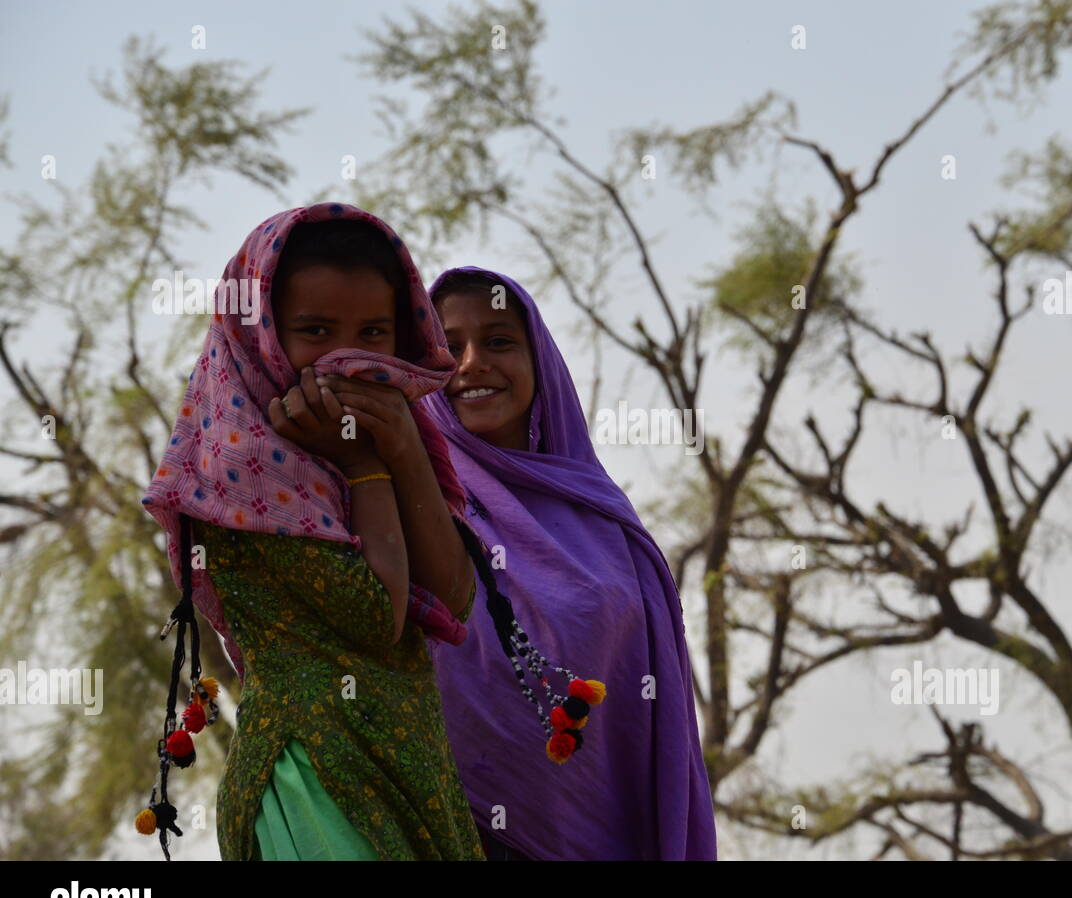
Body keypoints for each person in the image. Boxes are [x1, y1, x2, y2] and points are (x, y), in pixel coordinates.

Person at [138, 203, 485, 861]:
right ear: (260, 331)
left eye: (373, 332)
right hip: (316, 782)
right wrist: (363, 466)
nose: (347, 357)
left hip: (397, 772)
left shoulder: (393, 435)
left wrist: (401, 448)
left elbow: (453, 594)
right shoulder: (243, 459)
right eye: (316, 330)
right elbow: (377, 612)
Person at [422, 266, 718, 860]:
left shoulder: (606, 522)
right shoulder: (404, 494)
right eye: (448, 348)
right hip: (439, 830)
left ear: (542, 365)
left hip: (601, 837)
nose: (473, 363)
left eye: (499, 341)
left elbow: (654, 717)